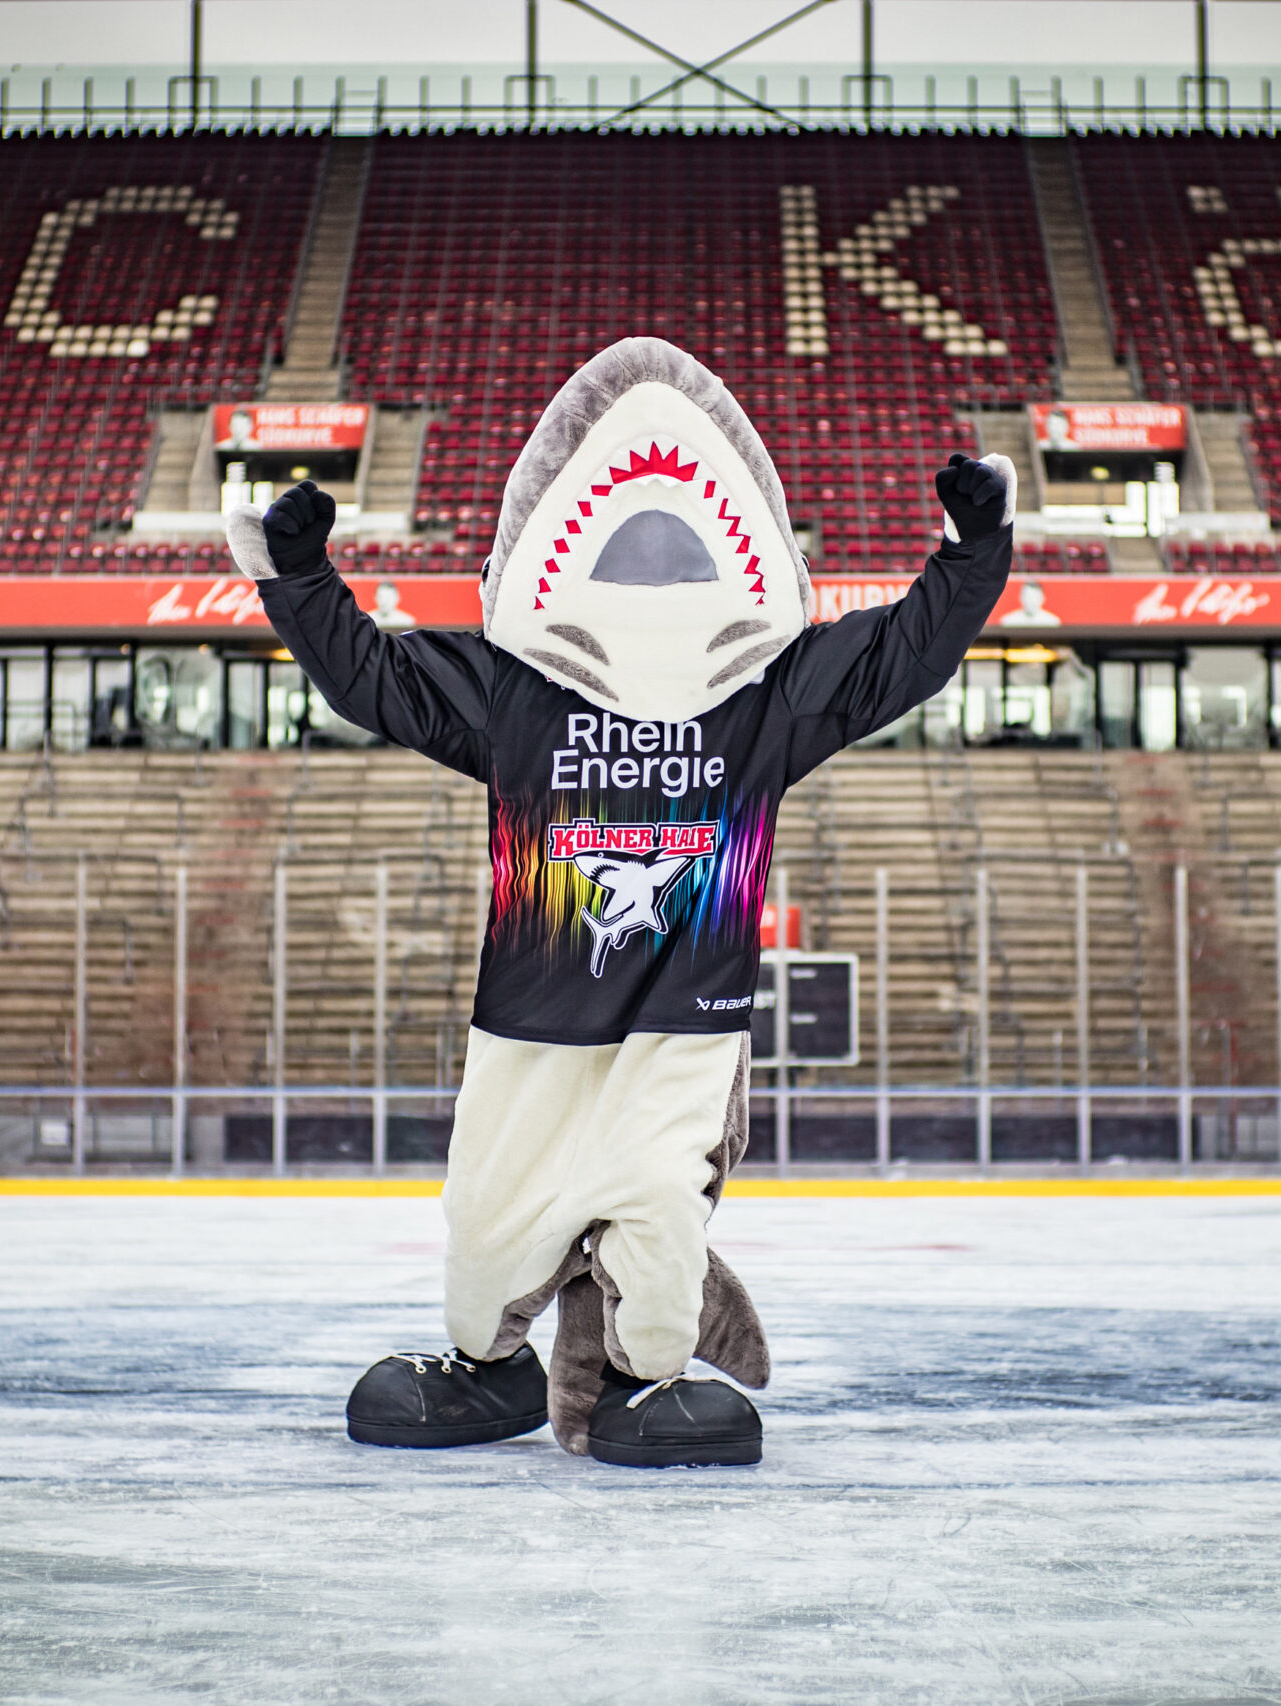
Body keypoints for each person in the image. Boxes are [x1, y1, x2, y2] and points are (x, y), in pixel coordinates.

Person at [229, 337, 1013, 1468]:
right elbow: (376, 681)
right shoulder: (515, 692)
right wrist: (301, 578)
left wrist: (970, 554)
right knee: (489, 1216)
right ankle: (490, 1363)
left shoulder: (768, 699)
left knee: (656, 1202)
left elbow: (903, 657)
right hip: (530, 1024)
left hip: (682, 1025)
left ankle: (645, 1373)